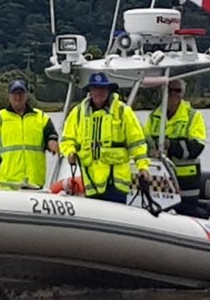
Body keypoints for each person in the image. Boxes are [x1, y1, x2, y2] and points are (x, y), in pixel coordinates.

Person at [59, 72, 149, 203]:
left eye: (102, 88)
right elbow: (67, 139)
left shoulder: (123, 111)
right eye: (95, 88)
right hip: (91, 182)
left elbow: (137, 143)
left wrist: (142, 167)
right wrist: (70, 153)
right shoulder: (78, 113)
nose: (98, 92)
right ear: (90, 90)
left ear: (108, 90)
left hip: (116, 184)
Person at [0, 79, 59, 188]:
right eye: (14, 94)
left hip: (34, 183)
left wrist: (52, 142)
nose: (18, 97)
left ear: (26, 95)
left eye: (21, 93)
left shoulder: (41, 118)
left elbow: (51, 135)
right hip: (7, 185)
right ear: (9, 96)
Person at [144, 78, 207, 208]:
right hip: (160, 179)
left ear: (182, 93)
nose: (173, 94)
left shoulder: (193, 116)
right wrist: (151, 150)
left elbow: (197, 146)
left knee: (187, 213)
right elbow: (145, 141)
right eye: (169, 90)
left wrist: (171, 145)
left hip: (186, 181)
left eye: (177, 90)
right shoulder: (154, 116)